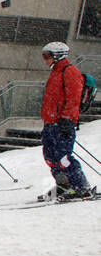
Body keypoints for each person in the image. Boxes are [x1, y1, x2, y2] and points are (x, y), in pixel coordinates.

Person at [39, 41, 94, 200]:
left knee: (63, 157)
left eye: (48, 56)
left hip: (63, 123)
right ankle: (64, 185)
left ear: (58, 56)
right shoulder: (55, 72)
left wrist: (67, 119)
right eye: (44, 56)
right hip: (50, 123)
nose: (45, 60)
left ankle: (81, 186)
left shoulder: (70, 72)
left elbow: (74, 98)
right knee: (50, 157)